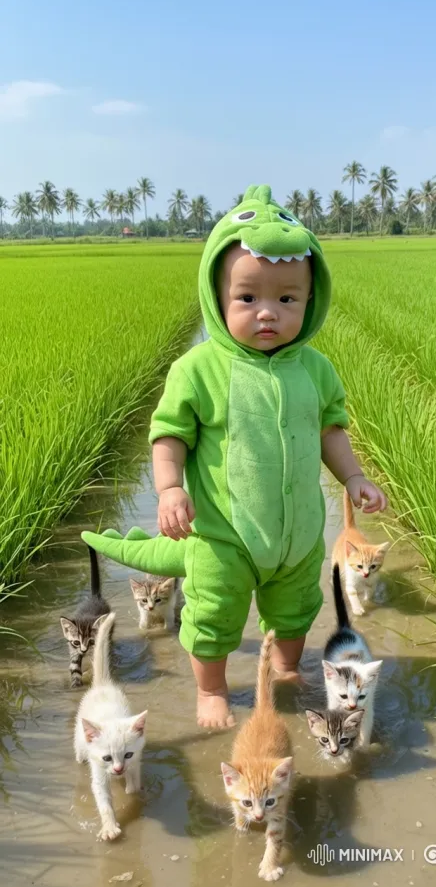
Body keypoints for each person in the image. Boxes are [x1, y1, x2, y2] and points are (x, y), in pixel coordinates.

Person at [150, 184, 387, 729]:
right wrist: (169, 488)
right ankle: (211, 690)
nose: (267, 313)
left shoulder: (317, 369)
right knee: (212, 614)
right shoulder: (199, 369)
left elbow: (329, 428)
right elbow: (169, 435)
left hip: (298, 532)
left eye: (286, 299)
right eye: (247, 298)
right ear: (217, 296)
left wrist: (352, 476)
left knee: (297, 608)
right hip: (224, 533)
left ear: (310, 301)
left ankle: (284, 668)